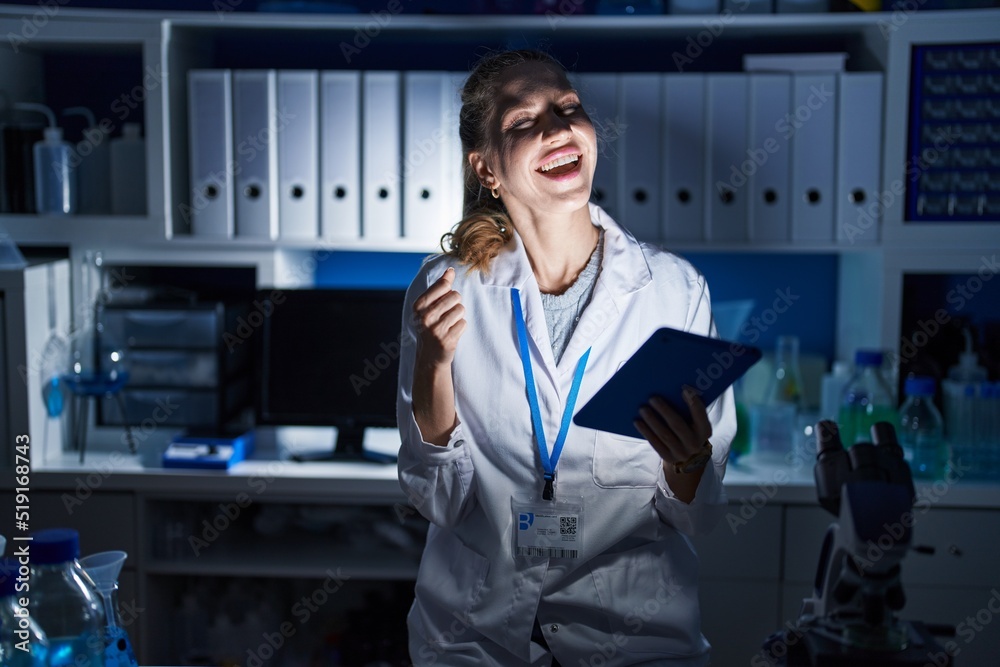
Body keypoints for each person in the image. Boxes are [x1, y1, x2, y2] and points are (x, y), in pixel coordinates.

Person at [396, 49, 736, 667]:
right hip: (475, 635)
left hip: (633, 636)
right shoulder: (446, 289)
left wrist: (689, 463)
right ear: (487, 169)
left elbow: (697, 514)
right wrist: (433, 367)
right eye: (523, 122)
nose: (557, 128)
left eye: (568, 108)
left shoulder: (673, 292)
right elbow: (438, 500)